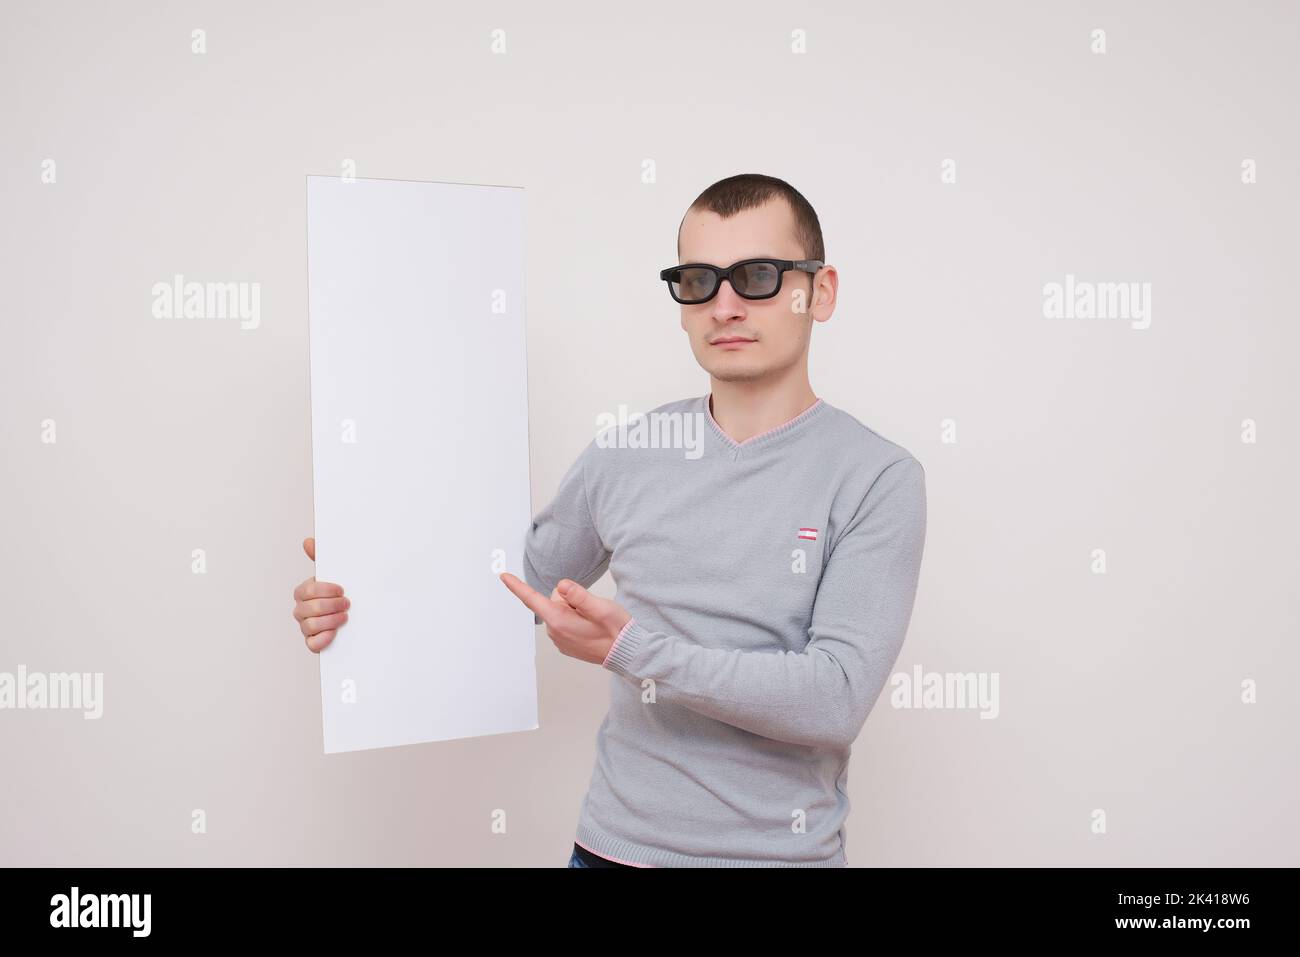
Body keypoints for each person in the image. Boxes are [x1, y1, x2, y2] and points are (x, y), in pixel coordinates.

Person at [293, 173, 928, 867]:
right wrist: (364, 598)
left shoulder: (878, 477)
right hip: (607, 853)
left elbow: (834, 696)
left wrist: (633, 650)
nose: (724, 305)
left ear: (821, 290)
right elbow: (508, 592)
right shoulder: (627, 454)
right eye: (698, 280)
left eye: (757, 276)